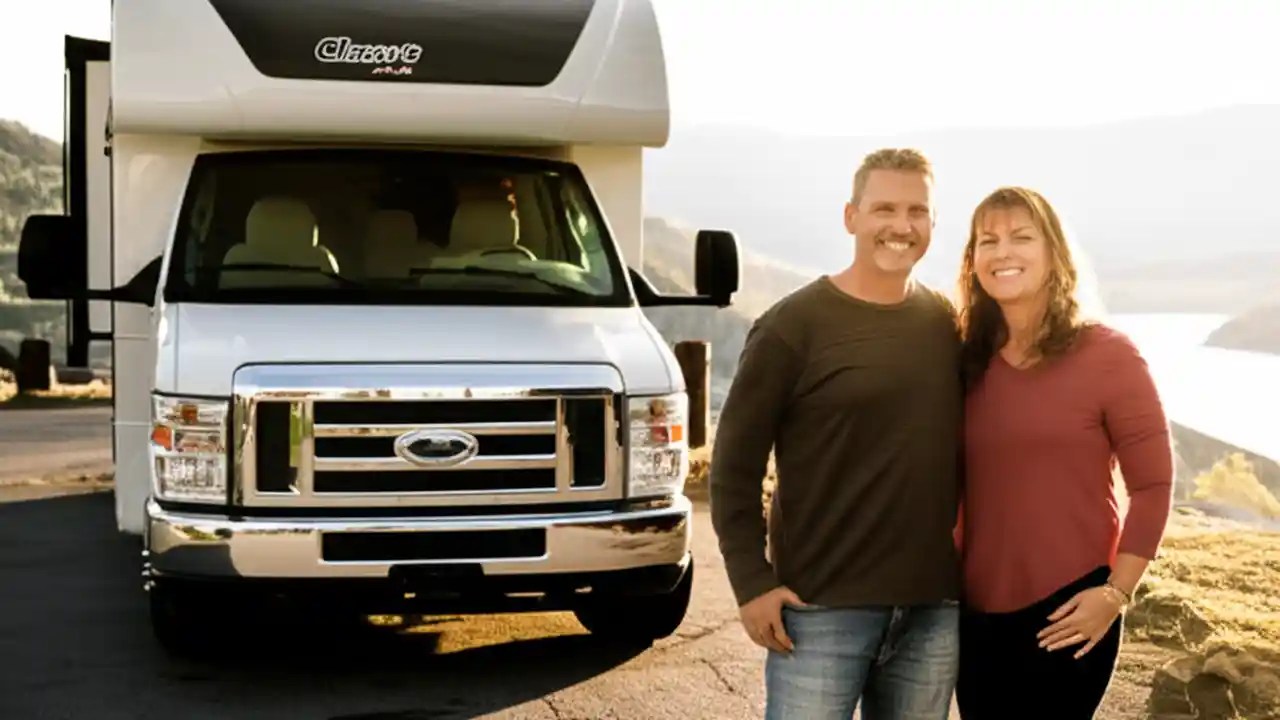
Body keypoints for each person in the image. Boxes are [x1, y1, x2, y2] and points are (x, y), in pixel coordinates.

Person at [709, 148, 964, 719]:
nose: (901, 226)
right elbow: (733, 469)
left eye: (917, 211)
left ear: (933, 223)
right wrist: (752, 584)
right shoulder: (791, 327)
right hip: (819, 610)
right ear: (851, 216)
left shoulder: (946, 324)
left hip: (932, 610)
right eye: (885, 209)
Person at [952, 186, 1174, 719]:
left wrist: (1116, 595)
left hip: (1072, 612)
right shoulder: (963, 359)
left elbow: (1153, 487)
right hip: (973, 620)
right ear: (973, 261)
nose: (1003, 252)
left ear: (1054, 253)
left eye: (1022, 237)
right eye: (988, 240)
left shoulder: (1109, 356)